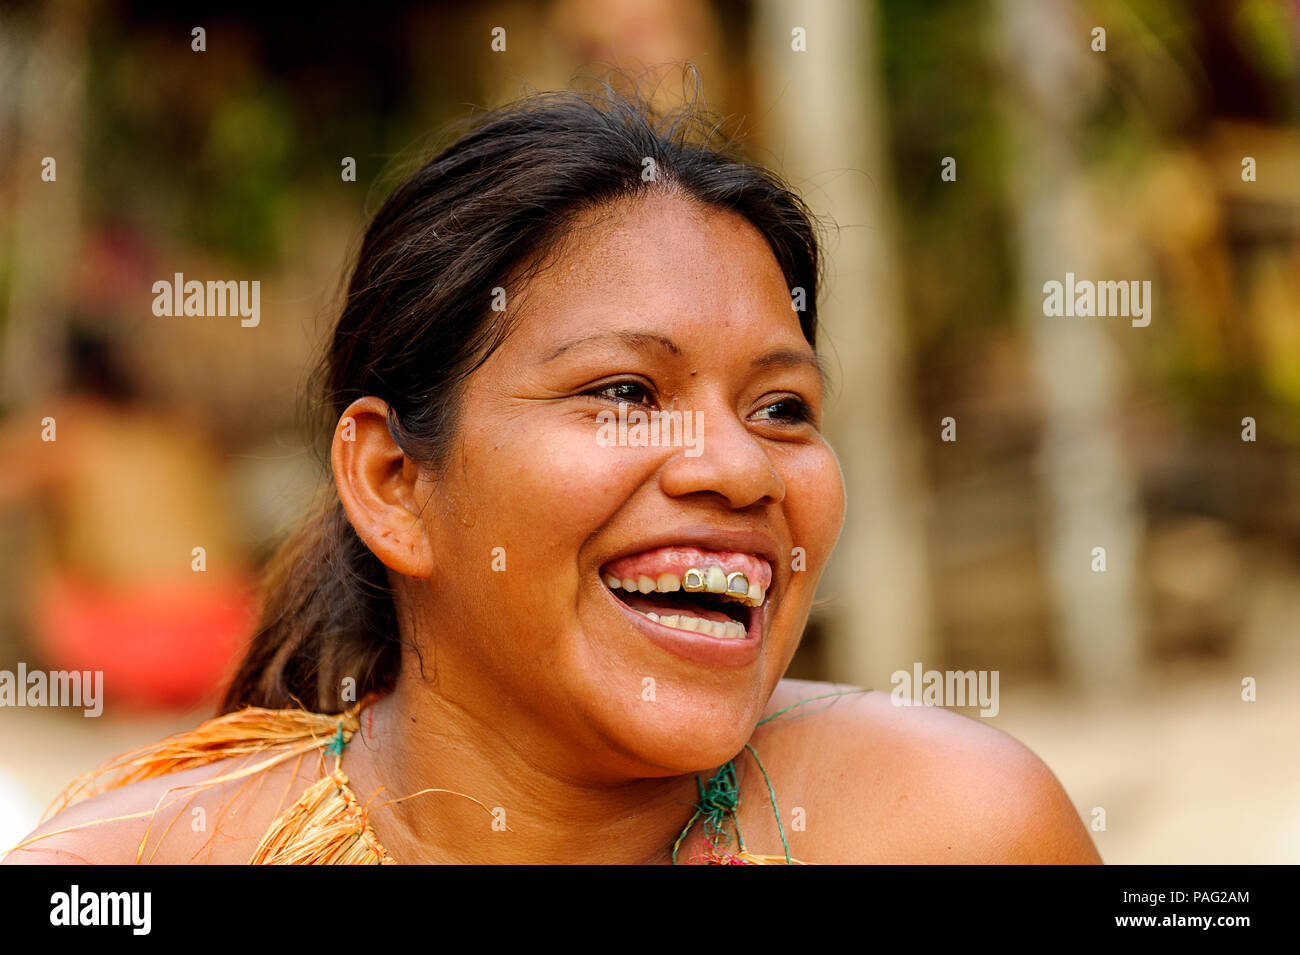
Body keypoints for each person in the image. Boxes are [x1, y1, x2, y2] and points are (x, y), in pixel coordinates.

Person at [4, 86, 1101, 865]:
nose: (736, 466)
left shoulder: (955, 829)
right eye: (624, 393)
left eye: (782, 408)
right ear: (393, 481)